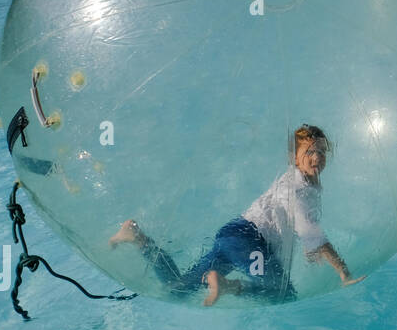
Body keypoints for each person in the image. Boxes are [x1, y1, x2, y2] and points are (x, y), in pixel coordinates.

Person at [109, 124, 362, 305]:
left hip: (232, 234)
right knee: (283, 294)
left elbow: (300, 224)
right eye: (308, 152)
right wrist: (343, 271)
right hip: (250, 241)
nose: (316, 157)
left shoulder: (303, 184)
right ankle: (228, 286)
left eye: (321, 151)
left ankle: (138, 238)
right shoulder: (298, 188)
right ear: (294, 158)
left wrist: (311, 249)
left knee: (177, 290)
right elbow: (309, 231)